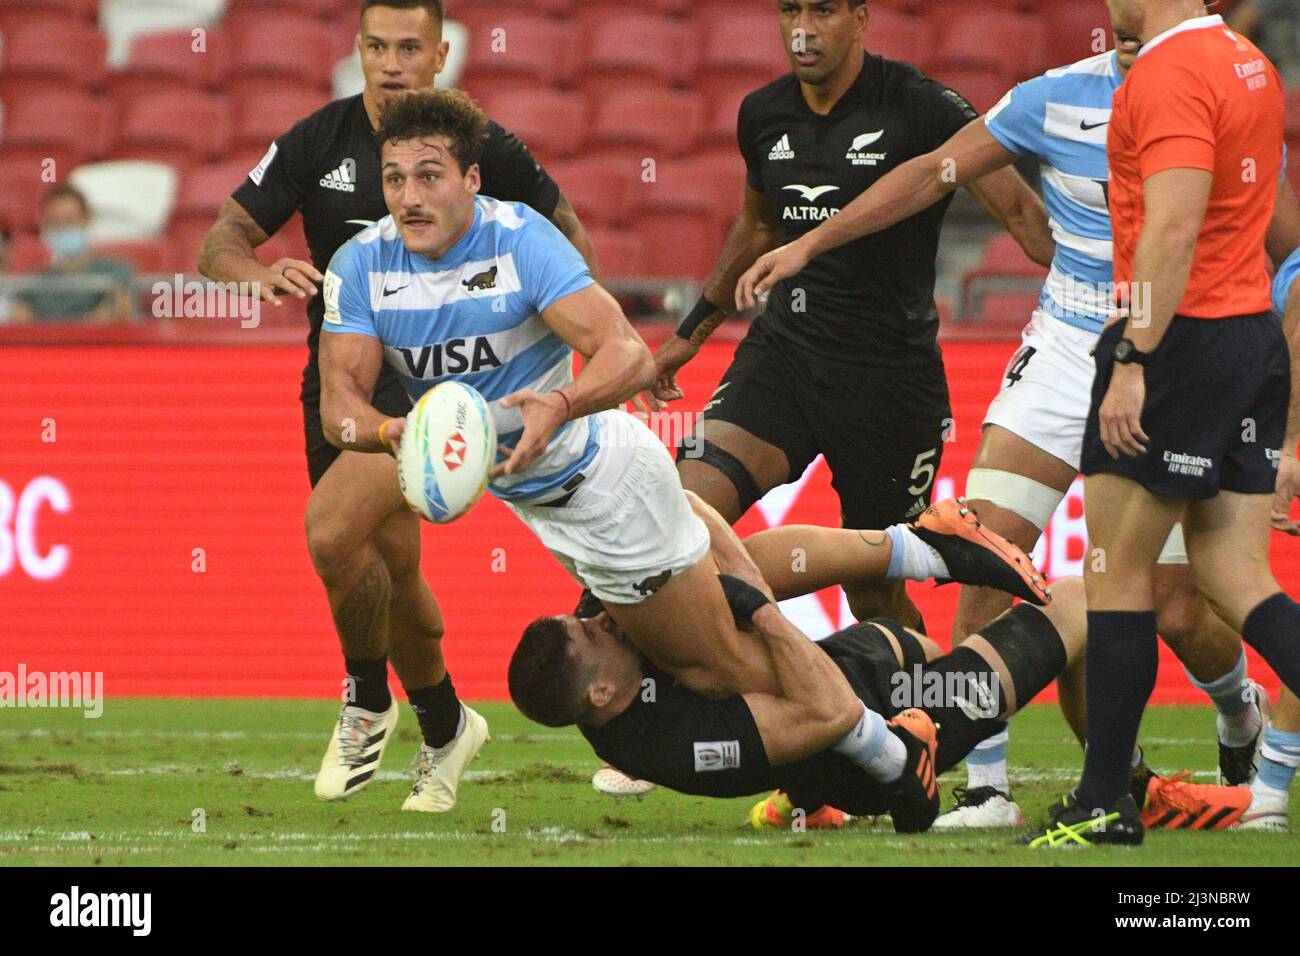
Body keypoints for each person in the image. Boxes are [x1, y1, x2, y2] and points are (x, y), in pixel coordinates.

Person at [319, 88, 1054, 822]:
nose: (408, 197)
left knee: (718, 667)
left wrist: (563, 401)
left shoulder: (519, 242)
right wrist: (397, 435)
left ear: (471, 180)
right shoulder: (361, 265)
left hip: (604, 492)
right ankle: (922, 546)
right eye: (393, 179)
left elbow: (629, 354)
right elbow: (338, 409)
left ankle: (893, 759)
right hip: (562, 502)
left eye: (429, 175)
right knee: (733, 571)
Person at [735, 14, 1293, 828]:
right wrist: (813, 244)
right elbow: (933, 172)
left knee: (1176, 603)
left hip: (1157, 346)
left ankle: (1230, 717)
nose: (1123, 21)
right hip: (1075, 347)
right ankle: (991, 790)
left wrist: (1153, 353)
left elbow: (1232, 229)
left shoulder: (1192, 82)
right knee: (987, 555)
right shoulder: (1061, 96)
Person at [197, 0, 599, 812]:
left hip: (442, 387)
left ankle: (365, 696)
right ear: (358, 50)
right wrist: (259, 276)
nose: (390, 63)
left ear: (440, 53)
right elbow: (218, 243)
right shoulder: (319, 139)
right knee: (388, 572)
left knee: (334, 532)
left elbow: (568, 240)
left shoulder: (478, 145)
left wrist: (570, 345)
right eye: (375, 46)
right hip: (343, 384)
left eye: (408, 47)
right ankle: (447, 724)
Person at [647, 0, 1054, 633]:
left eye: (824, 11)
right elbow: (757, 223)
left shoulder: (924, 108)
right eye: (790, 11)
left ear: (861, 18)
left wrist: (1113, 303)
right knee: (685, 509)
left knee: (871, 598)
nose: (803, 28)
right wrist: (689, 333)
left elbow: (1026, 220)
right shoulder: (763, 113)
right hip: (784, 355)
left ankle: (919, 718)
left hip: (888, 380)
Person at [509, 520, 1252, 835]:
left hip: (856, 667)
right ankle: (1130, 788)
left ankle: (915, 547)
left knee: (696, 560)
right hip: (897, 721)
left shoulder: (615, 657)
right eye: (591, 634)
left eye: (588, 618)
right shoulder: (673, 743)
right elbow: (828, 714)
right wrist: (759, 613)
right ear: (600, 696)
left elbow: (704, 545)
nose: (601, 620)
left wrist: (669, 517)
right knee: (1087, 599)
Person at [1027, 0, 1298, 848]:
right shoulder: (1247, 61)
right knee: (1231, 570)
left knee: (1116, 573)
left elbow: (1175, 225)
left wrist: (1135, 354)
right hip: (1250, 333)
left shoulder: (1169, 73)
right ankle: (1105, 792)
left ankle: (1104, 799)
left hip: (1178, 338)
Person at [11, 185, 133, 324]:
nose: (62, 227)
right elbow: (21, 325)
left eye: (69, 220)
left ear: (86, 219)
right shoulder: (33, 282)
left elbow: (114, 317)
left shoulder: (117, 271)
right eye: (54, 221)